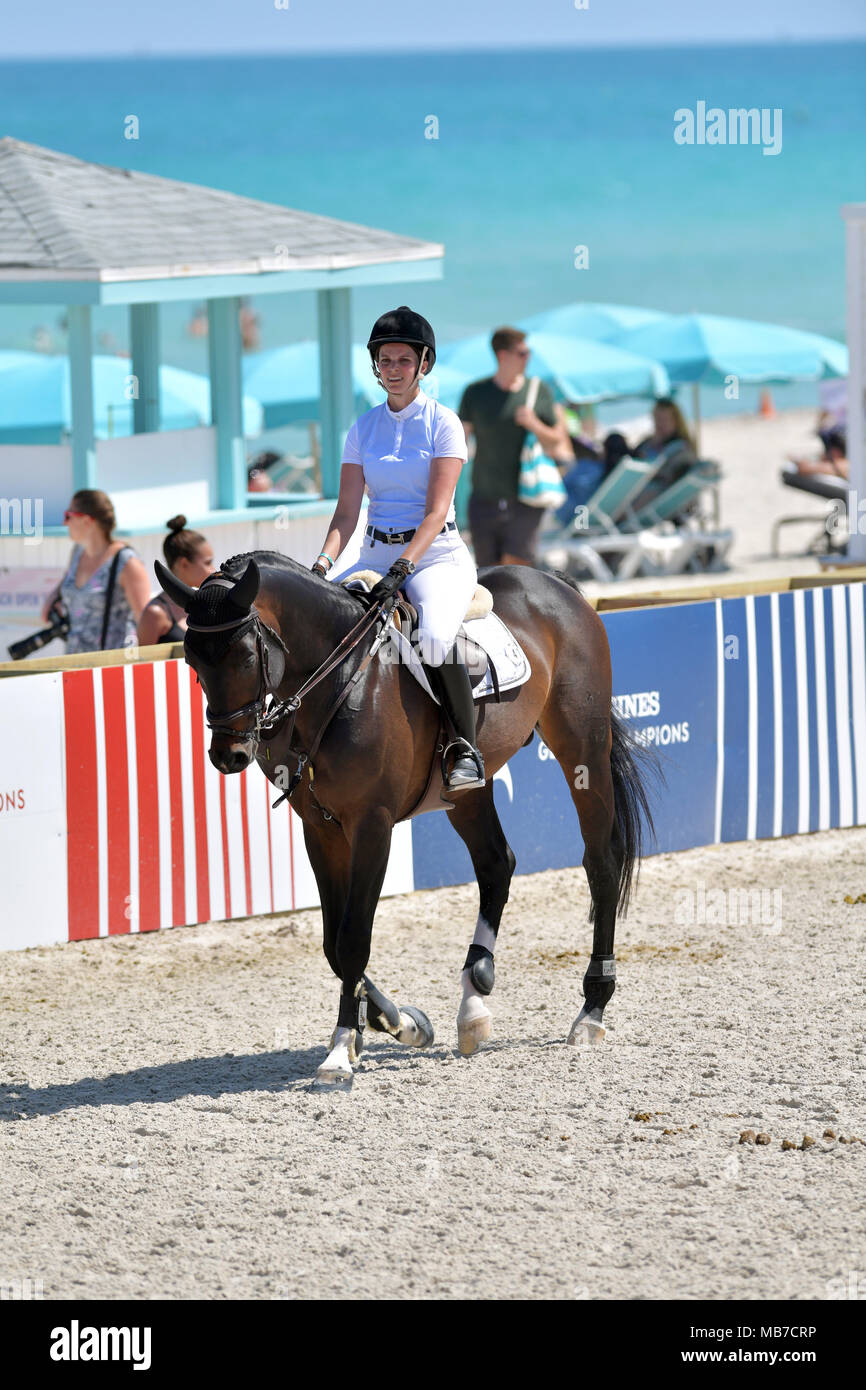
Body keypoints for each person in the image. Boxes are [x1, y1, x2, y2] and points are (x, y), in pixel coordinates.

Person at [311, 305, 484, 791]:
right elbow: (346, 513)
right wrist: (322, 566)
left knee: (431, 637)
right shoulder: (362, 428)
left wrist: (404, 567)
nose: (392, 370)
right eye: (384, 360)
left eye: (403, 360)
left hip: (434, 559)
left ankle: (463, 748)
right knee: (321, 627)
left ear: (423, 364)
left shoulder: (444, 424)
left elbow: (436, 511)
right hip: (371, 555)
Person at [458, 327, 569, 566]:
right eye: (522, 353)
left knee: (517, 567)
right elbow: (460, 440)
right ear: (502, 356)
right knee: (489, 572)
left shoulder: (538, 391)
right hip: (483, 498)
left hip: (526, 499)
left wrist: (533, 424)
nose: (528, 358)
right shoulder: (475, 393)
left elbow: (556, 441)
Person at [43, 490, 151, 653]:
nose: (65, 523)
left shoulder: (126, 562)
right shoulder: (78, 553)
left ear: (87, 520)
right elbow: (67, 584)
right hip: (74, 663)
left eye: (68, 516)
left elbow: (145, 621)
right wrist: (52, 599)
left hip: (111, 667)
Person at [138, 516, 216, 646]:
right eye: (208, 563)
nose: (213, 570)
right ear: (184, 564)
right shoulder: (155, 613)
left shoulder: (206, 605)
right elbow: (142, 664)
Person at [629, 397, 698, 514]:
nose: (659, 424)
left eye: (664, 419)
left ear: (676, 421)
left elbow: (673, 474)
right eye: (656, 419)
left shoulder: (680, 447)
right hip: (641, 491)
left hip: (660, 496)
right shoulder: (649, 442)